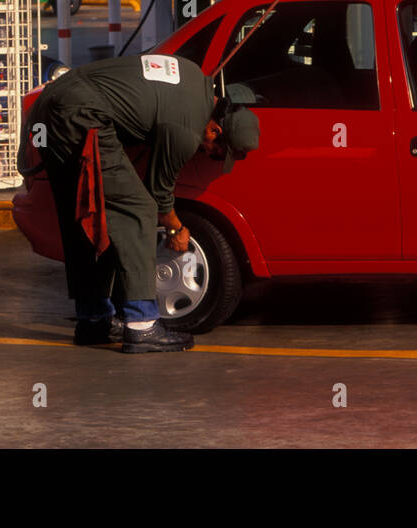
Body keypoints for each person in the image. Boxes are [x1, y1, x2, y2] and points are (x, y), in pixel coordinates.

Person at [26, 53, 259, 353]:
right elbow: (159, 194)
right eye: (216, 151)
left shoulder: (193, 75)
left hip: (55, 101)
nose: (209, 155)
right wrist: (177, 230)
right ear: (215, 130)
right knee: (137, 209)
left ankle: (93, 318)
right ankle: (142, 325)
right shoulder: (187, 131)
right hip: (80, 114)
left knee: (90, 211)